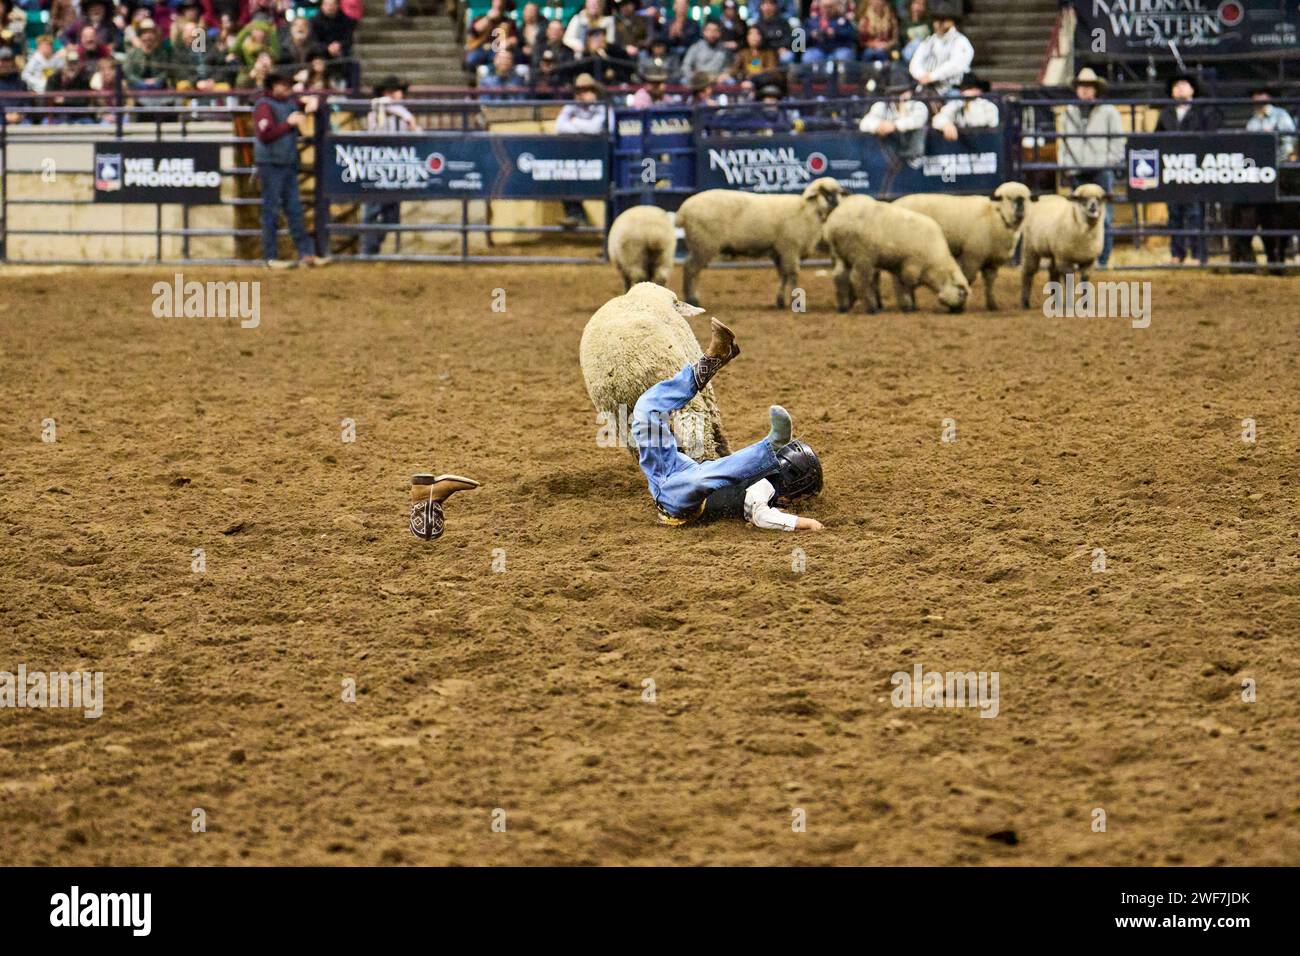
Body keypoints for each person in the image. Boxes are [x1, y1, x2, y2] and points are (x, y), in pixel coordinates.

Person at [632, 316, 825, 531]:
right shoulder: (762, 481)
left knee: (702, 478)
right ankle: (710, 362)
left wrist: (808, 524)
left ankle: (771, 444)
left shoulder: (764, 490)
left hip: (680, 499)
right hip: (675, 474)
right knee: (647, 408)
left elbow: (762, 517)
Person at [253, 70, 325, 268]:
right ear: (273, 86)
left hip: (284, 162)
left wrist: (314, 102)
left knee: (293, 209)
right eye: (283, 85)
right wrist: (288, 123)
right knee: (274, 210)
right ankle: (272, 256)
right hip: (272, 163)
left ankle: (304, 253)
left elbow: (309, 104)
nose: (287, 89)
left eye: (288, 85)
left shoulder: (284, 103)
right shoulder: (264, 106)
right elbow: (265, 134)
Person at [1057, 68, 1122, 268]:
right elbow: (1064, 141)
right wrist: (1066, 165)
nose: (1085, 91)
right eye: (1082, 87)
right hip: (1078, 168)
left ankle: (1102, 259)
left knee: (1104, 216)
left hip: (1100, 169)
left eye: (1089, 87)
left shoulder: (1108, 112)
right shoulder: (1068, 113)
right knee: (1077, 217)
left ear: (1095, 90)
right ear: (1077, 89)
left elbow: (1118, 140)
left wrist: (1110, 161)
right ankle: (1080, 258)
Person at [1155, 73, 1220, 265]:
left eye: (1184, 85)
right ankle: (1177, 253)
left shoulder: (1202, 112)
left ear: (1192, 90)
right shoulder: (1165, 114)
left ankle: (1197, 254)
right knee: (1174, 213)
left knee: (1195, 213)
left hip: (1195, 168)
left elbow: (1211, 134)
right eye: (1176, 86)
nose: (1180, 88)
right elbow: (1156, 139)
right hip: (1172, 169)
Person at [1233, 84, 1297, 270]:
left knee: (1282, 212)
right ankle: (1273, 256)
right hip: (1260, 171)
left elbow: (1289, 141)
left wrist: (1277, 157)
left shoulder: (1280, 116)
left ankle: (1278, 255)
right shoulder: (1253, 121)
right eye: (1256, 95)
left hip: (1281, 169)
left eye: (1262, 94)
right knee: (1265, 213)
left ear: (1268, 96)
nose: (1258, 98)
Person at [362, 75, 416, 257]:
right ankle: (368, 251)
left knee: (390, 213)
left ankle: (371, 247)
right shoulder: (381, 105)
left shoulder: (393, 108)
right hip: (379, 163)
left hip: (392, 164)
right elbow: (407, 119)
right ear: (389, 92)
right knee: (374, 210)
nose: (402, 94)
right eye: (398, 90)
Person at [554, 73, 608, 227]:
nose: (582, 94)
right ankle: (575, 215)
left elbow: (596, 128)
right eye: (579, 90)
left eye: (586, 90)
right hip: (578, 156)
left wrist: (575, 122)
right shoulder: (571, 106)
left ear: (594, 91)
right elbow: (559, 127)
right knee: (564, 174)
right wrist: (584, 127)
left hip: (602, 156)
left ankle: (609, 224)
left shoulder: (603, 106)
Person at [908, 1, 972, 94]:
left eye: (943, 20)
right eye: (936, 20)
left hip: (952, 88)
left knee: (952, 102)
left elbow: (956, 65)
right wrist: (922, 75)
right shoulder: (929, 41)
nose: (939, 23)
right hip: (927, 87)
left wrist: (932, 77)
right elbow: (915, 62)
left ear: (952, 22)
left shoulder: (960, 41)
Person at [859, 82, 928, 160]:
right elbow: (864, 124)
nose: (900, 96)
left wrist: (894, 125)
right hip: (889, 151)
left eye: (903, 92)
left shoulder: (918, 106)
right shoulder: (881, 106)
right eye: (896, 93)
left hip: (912, 151)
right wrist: (878, 126)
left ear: (910, 93)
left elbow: (918, 121)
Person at [933, 72, 998, 137]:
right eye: (963, 89)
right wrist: (946, 125)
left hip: (982, 142)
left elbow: (986, 126)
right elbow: (939, 118)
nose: (965, 92)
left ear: (979, 90)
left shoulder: (988, 107)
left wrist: (970, 106)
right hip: (962, 143)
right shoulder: (957, 104)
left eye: (969, 88)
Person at [801, 0, 858, 66]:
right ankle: (812, 76)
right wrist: (811, 35)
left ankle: (842, 76)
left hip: (838, 49)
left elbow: (853, 35)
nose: (827, 9)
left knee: (843, 55)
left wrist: (836, 33)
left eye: (830, 7)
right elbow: (798, 41)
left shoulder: (843, 21)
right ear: (820, 7)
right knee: (809, 56)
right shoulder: (811, 21)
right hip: (818, 49)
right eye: (825, 7)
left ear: (836, 7)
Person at [754, 0, 794, 66]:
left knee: (787, 57)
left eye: (770, 3)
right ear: (760, 7)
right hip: (764, 52)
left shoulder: (783, 22)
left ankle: (785, 75)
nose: (767, 7)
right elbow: (756, 42)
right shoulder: (757, 24)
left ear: (776, 6)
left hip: (780, 51)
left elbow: (788, 39)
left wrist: (781, 47)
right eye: (764, 4)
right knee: (754, 61)